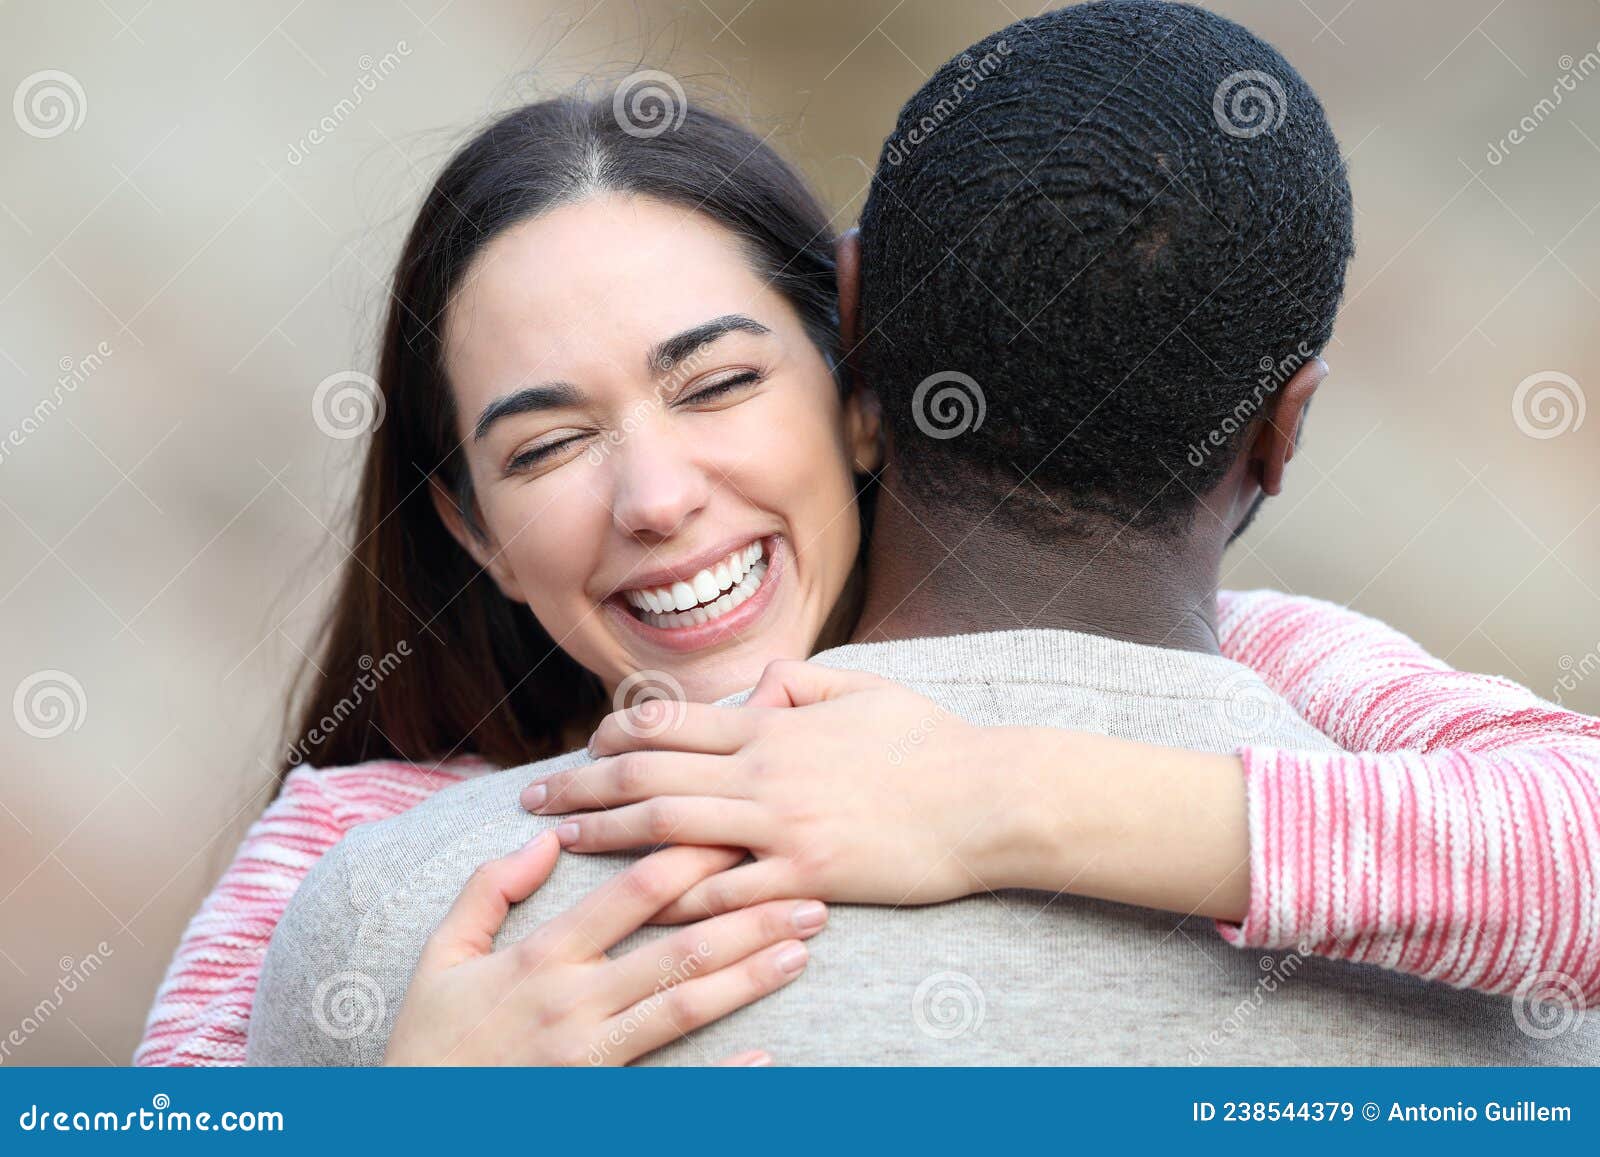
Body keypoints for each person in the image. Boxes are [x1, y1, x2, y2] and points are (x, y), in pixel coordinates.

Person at [238, 2, 1598, 1066]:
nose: (654, 495)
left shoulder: (1289, 659)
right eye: (543, 443)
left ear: (850, 349)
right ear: (1279, 431)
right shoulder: (346, 855)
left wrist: (994, 797)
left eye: (716, 382)